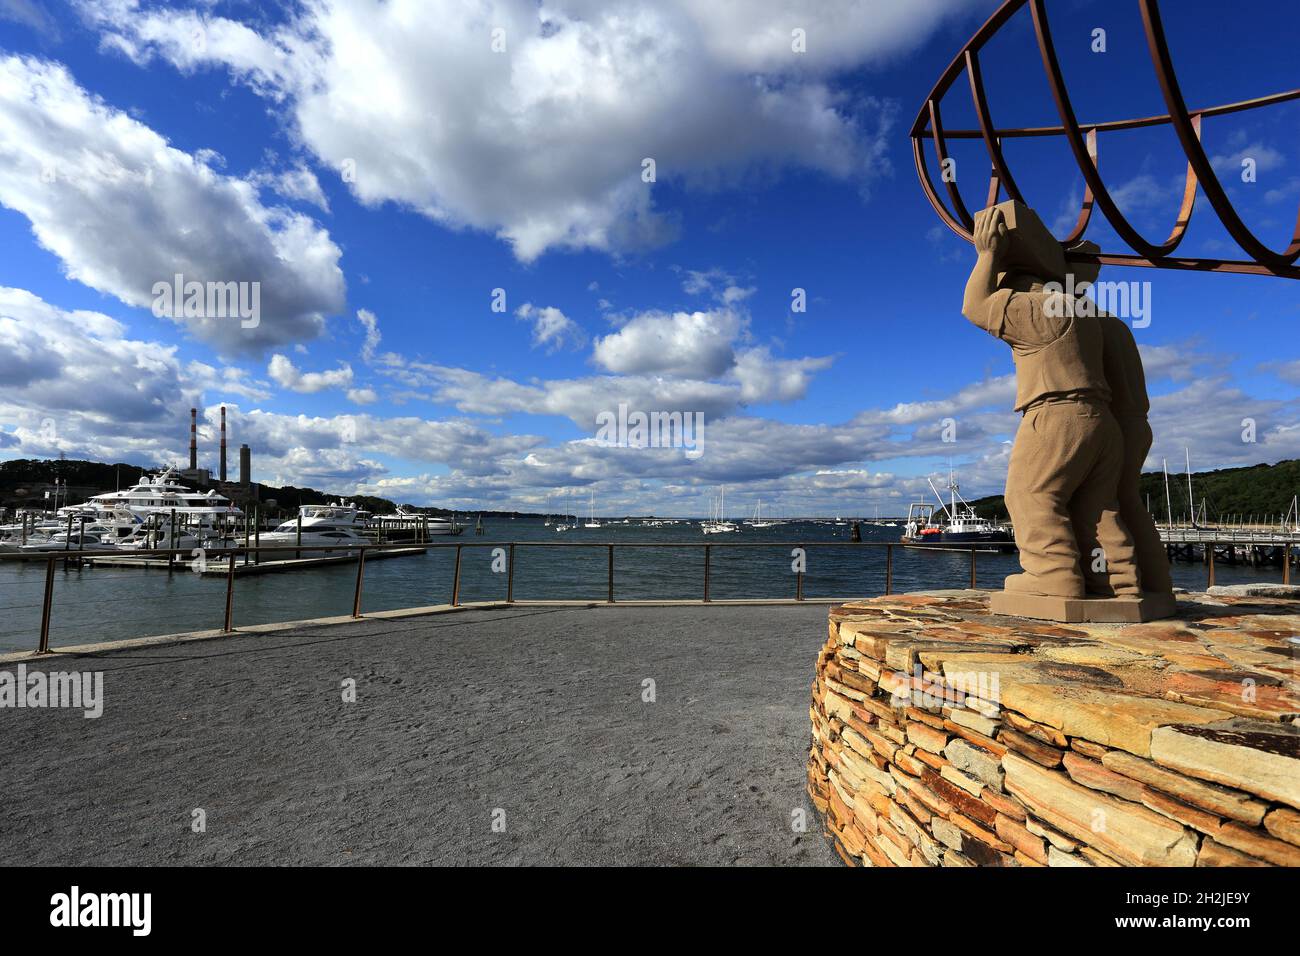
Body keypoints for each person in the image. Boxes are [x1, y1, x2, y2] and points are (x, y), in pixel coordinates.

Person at [962, 205, 1140, 598]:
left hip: (1057, 416)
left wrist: (987, 254)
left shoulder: (1033, 306)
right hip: (1101, 423)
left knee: (1030, 494)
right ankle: (1119, 580)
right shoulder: (1081, 312)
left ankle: (1054, 576)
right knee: (1097, 508)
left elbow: (974, 307)